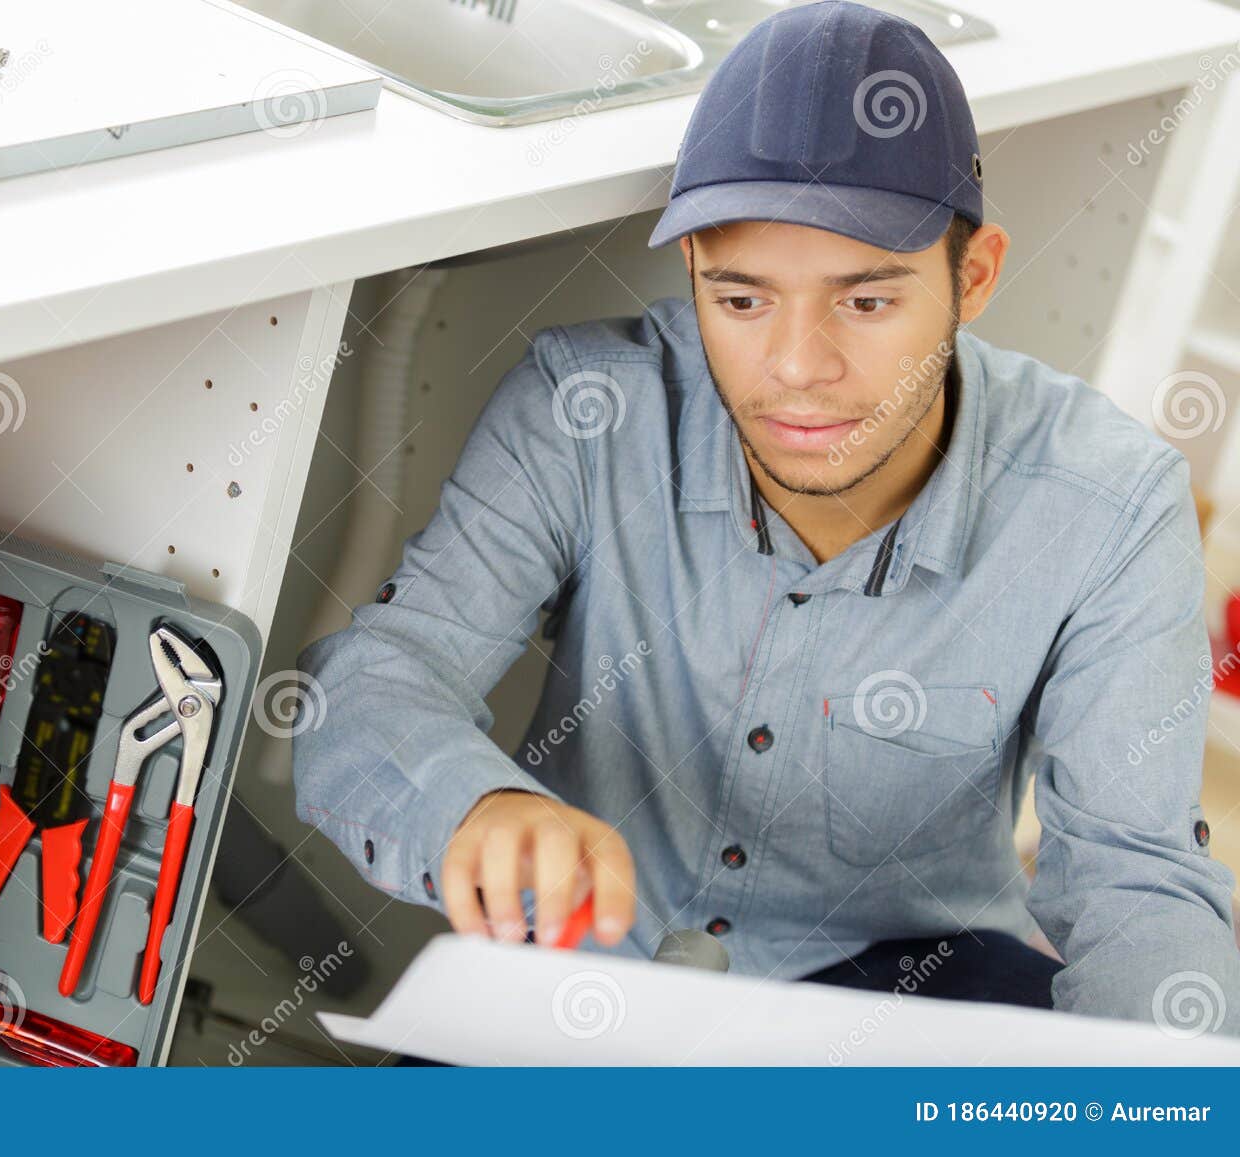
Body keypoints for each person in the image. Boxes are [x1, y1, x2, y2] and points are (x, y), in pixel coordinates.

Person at [292, 0, 1239, 1029]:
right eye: (742, 300)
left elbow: (1135, 877)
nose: (795, 368)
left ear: (972, 279)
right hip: (588, 982)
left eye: (865, 301)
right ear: (694, 272)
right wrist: (471, 802)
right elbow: (375, 682)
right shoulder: (585, 408)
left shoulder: (1108, 505)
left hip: (908, 993)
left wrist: (1168, 1089)